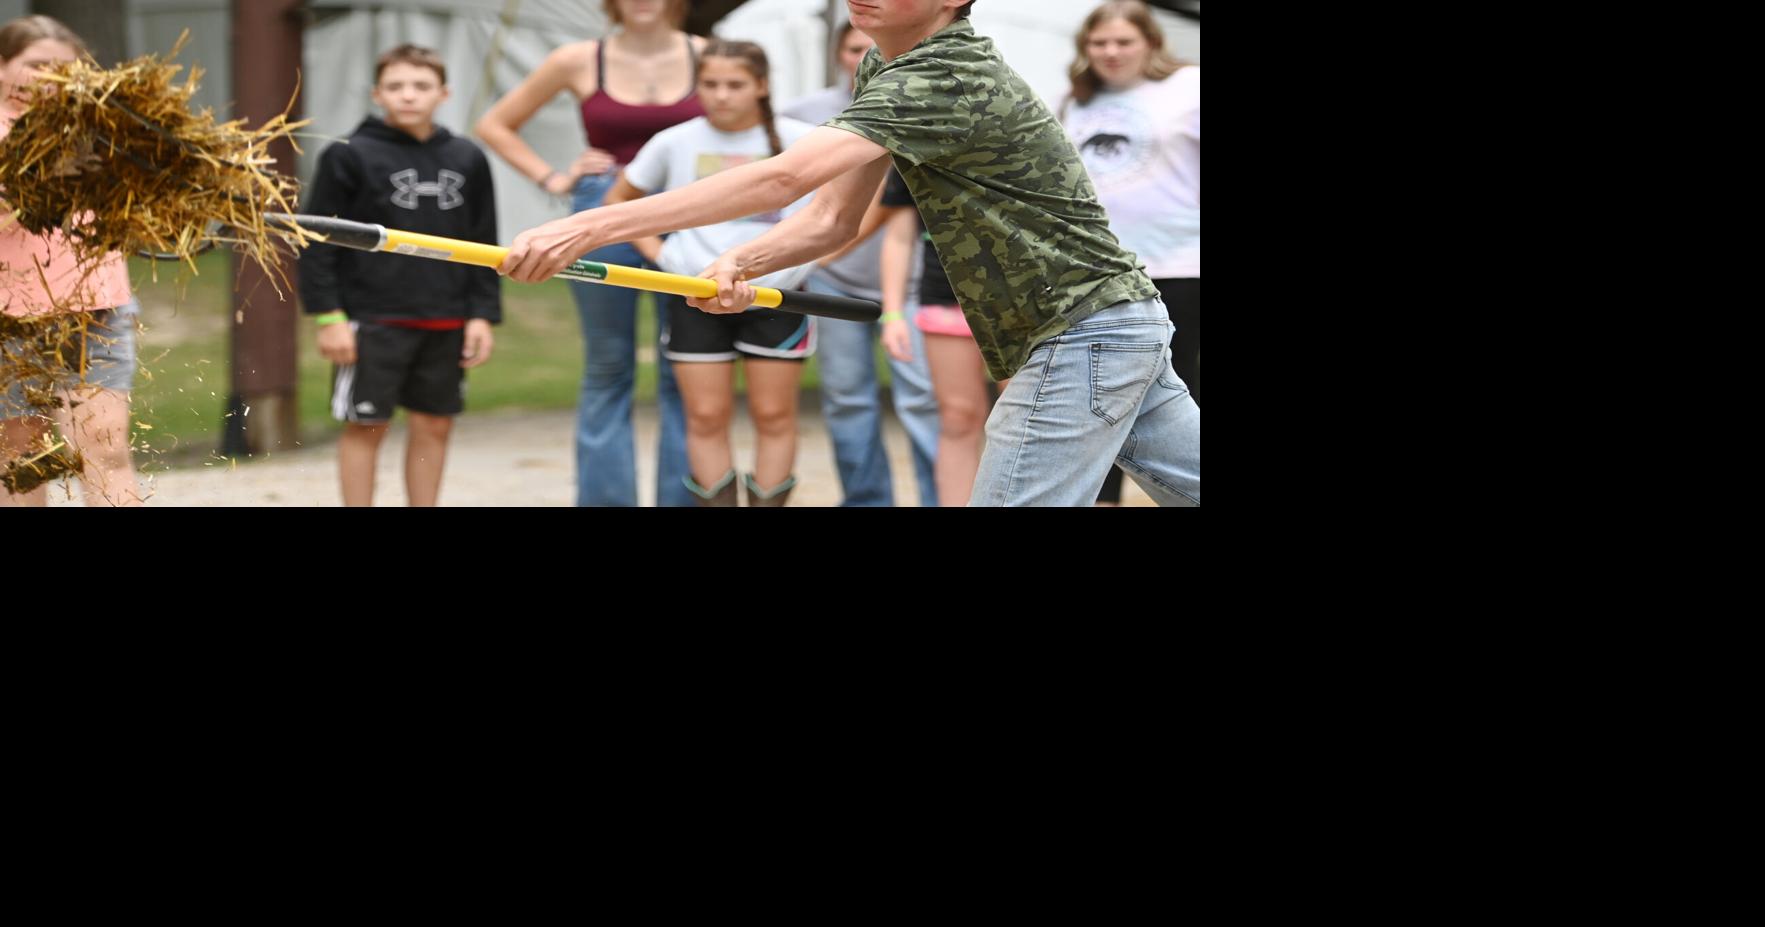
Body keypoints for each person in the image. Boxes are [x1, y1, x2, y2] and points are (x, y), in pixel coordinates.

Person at [500, 0, 1199, 507]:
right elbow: (832, 218)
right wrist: (741, 262)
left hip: (1081, 331)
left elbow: (783, 177)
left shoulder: (943, 75)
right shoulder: (883, 65)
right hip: (1109, 325)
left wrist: (592, 224)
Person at [476, 0, 706, 507]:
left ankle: (683, 499)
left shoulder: (708, 56)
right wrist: (555, 178)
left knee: (686, 366)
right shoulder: (577, 58)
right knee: (607, 364)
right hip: (602, 212)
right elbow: (494, 124)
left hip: (686, 212)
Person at [298, 44, 501, 506]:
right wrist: (328, 317)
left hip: (445, 318)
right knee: (367, 424)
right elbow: (316, 240)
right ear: (377, 93)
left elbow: (485, 243)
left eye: (421, 86)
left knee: (435, 423)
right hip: (372, 319)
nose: (408, 96)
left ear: (444, 93)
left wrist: (481, 315)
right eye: (396, 86)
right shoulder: (348, 156)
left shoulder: (467, 157)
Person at [780, 21, 938, 506]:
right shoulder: (801, 117)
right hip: (833, 281)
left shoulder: (926, 105)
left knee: (924, 399)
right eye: (852, 49)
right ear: (837, 54)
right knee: (848, 400)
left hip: (911, 283)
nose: (861, 57)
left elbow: (899, 212)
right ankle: (867, 500)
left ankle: (943, 497)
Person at [1, 15, 143, 508]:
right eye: (35, 65)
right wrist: (36, 181)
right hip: (9, 318)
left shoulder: (100, 125)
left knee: (104, 448)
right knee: (21, 456)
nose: (50, 77)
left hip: (95, 305)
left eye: (63, 67)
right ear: (2, 67)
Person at [1060, 0, 1198, 505]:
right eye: (1099, 43)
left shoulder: (1188, 88)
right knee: (1099, 400)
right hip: (1102, 275)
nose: (1111, 52)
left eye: (1123, 42)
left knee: (1179, 396)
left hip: (1182, 265)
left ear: (1151, 44)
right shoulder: (1075, 101)